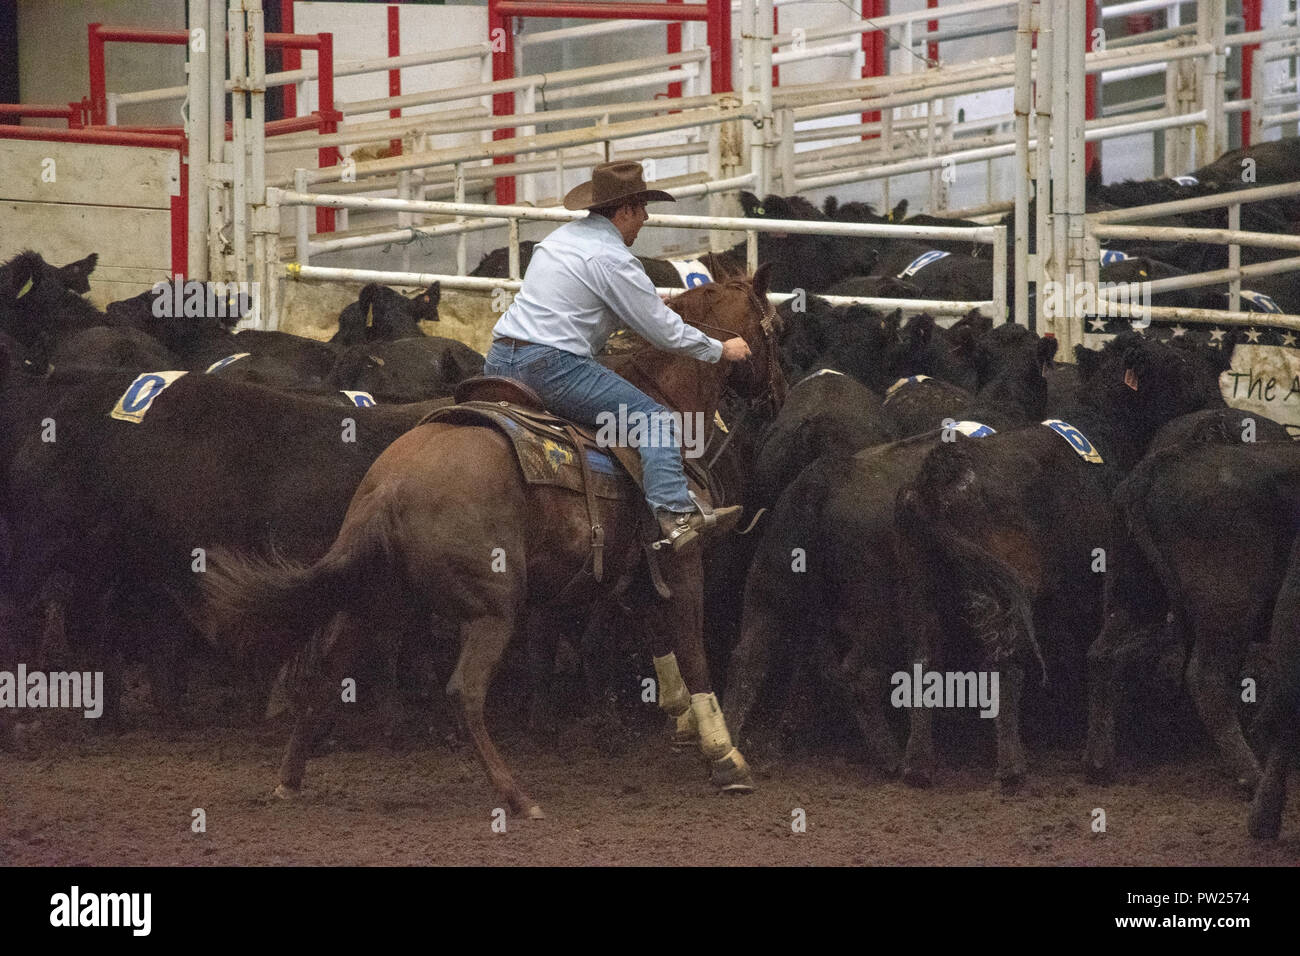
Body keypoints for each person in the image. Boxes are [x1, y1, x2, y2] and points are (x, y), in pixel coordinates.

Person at [483, 161, 752, 552]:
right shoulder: (615, 260)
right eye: (642, 208)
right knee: (654, 418)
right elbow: (662, 331)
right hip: (551, 367)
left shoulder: (560, 239)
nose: (645, 217)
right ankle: (675, 514)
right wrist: (720, 349)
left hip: (499, 357)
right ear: (624, 211)